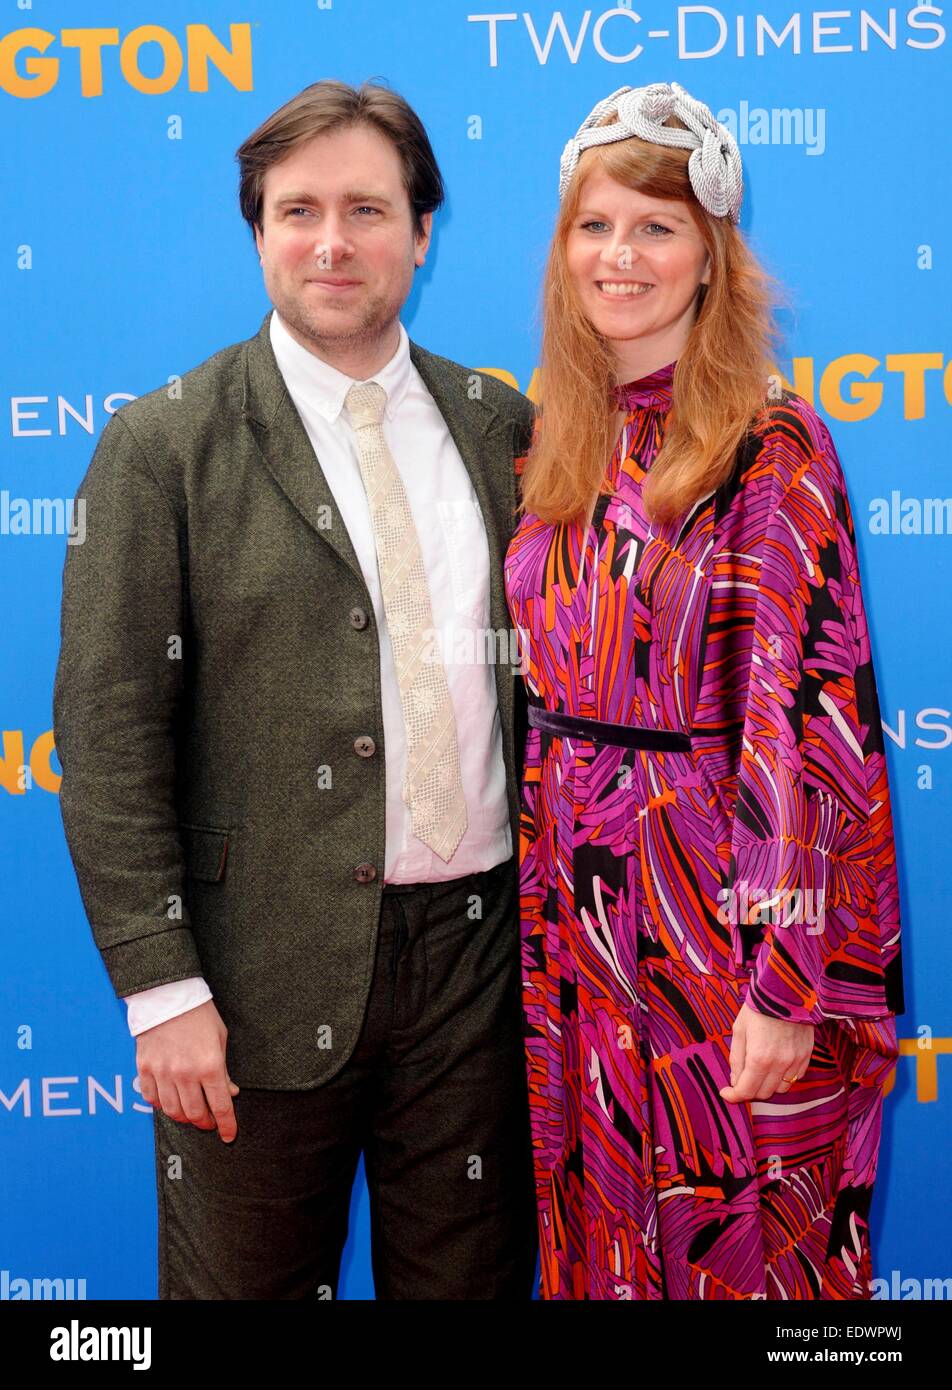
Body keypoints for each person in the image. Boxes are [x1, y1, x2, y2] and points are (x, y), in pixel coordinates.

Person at [52, 79, 538, 1300]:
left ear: (421, 233)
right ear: (258, 233)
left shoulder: (504, 428)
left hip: (482, 973)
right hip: (252, 981)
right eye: (298, 210)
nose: (333, 242)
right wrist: (164, 994)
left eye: (367, 209)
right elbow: (109, 738)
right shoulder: (164, 445)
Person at [504, 81, 905, 1300]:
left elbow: (807, 720)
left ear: (709, 255)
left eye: (655, 226)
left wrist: (789, 982)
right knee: (598, 1238)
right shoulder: (554, 444)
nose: (618, 256)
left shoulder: (769, 445)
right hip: (571, 920)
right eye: (593, 225)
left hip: (714, 916)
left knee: (746, 1243)